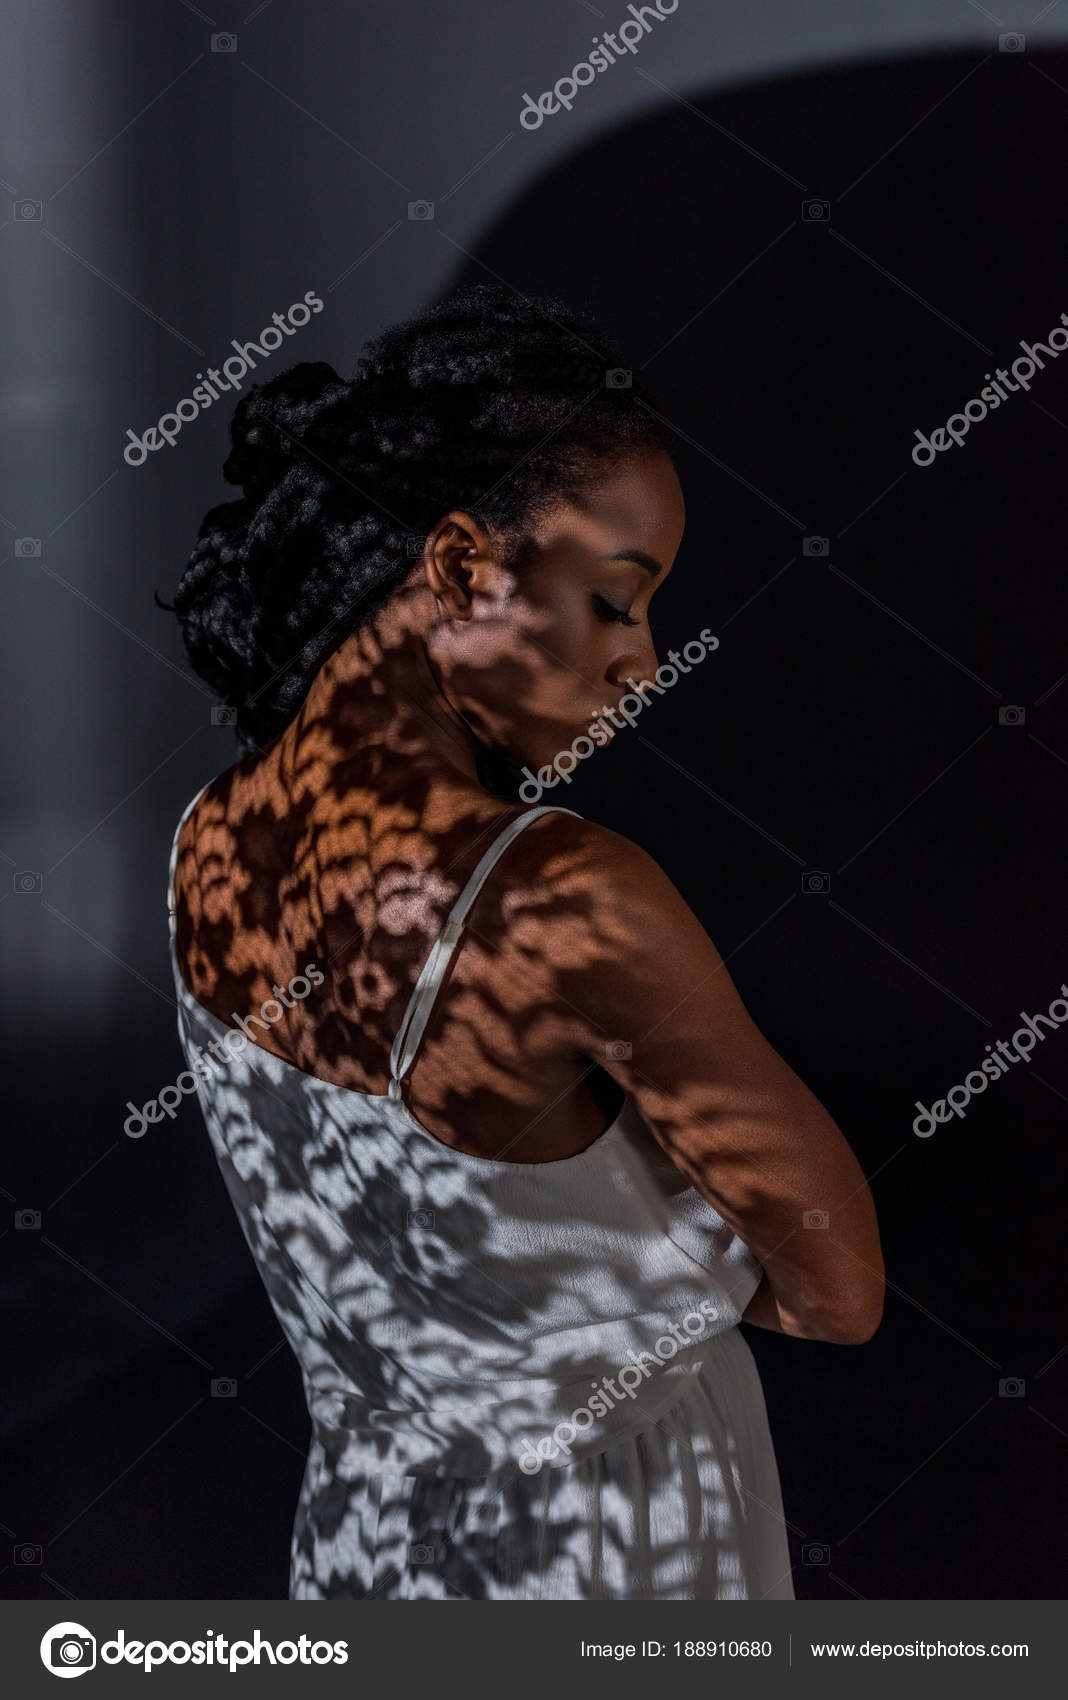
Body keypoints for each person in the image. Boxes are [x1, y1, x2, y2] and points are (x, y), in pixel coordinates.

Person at [164, 281, 883, 1600]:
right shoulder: (565, 902)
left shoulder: (207, 843)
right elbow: (838, 1291)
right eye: (618, 600)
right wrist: (649, 1312)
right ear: (457, 564)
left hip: (369, 1544)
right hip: (619, 1550)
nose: (645, 662)